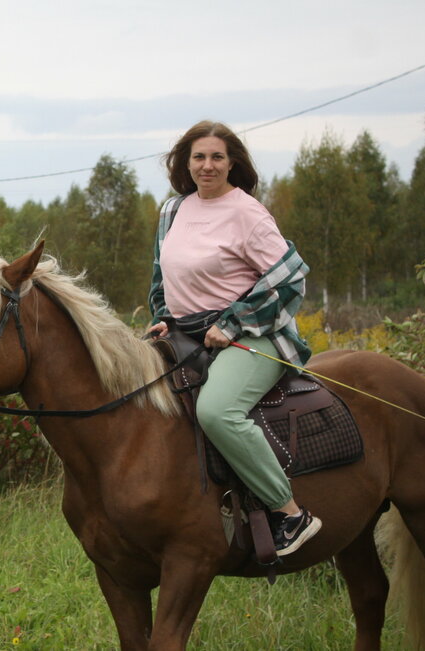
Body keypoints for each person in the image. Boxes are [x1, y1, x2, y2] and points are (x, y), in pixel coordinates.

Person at [148, 120, 321, 558]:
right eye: (199, 157)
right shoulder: (173, 210)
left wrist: (234, 323)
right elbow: (161, 276)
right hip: (187, 333)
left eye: (217, 157)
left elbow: (289, 279)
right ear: (185, 164)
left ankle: (289, 513)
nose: (207, 166)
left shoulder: (247, 212)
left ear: (232, 164)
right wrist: (164, 316)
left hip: (256, 335)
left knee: (217, 410)